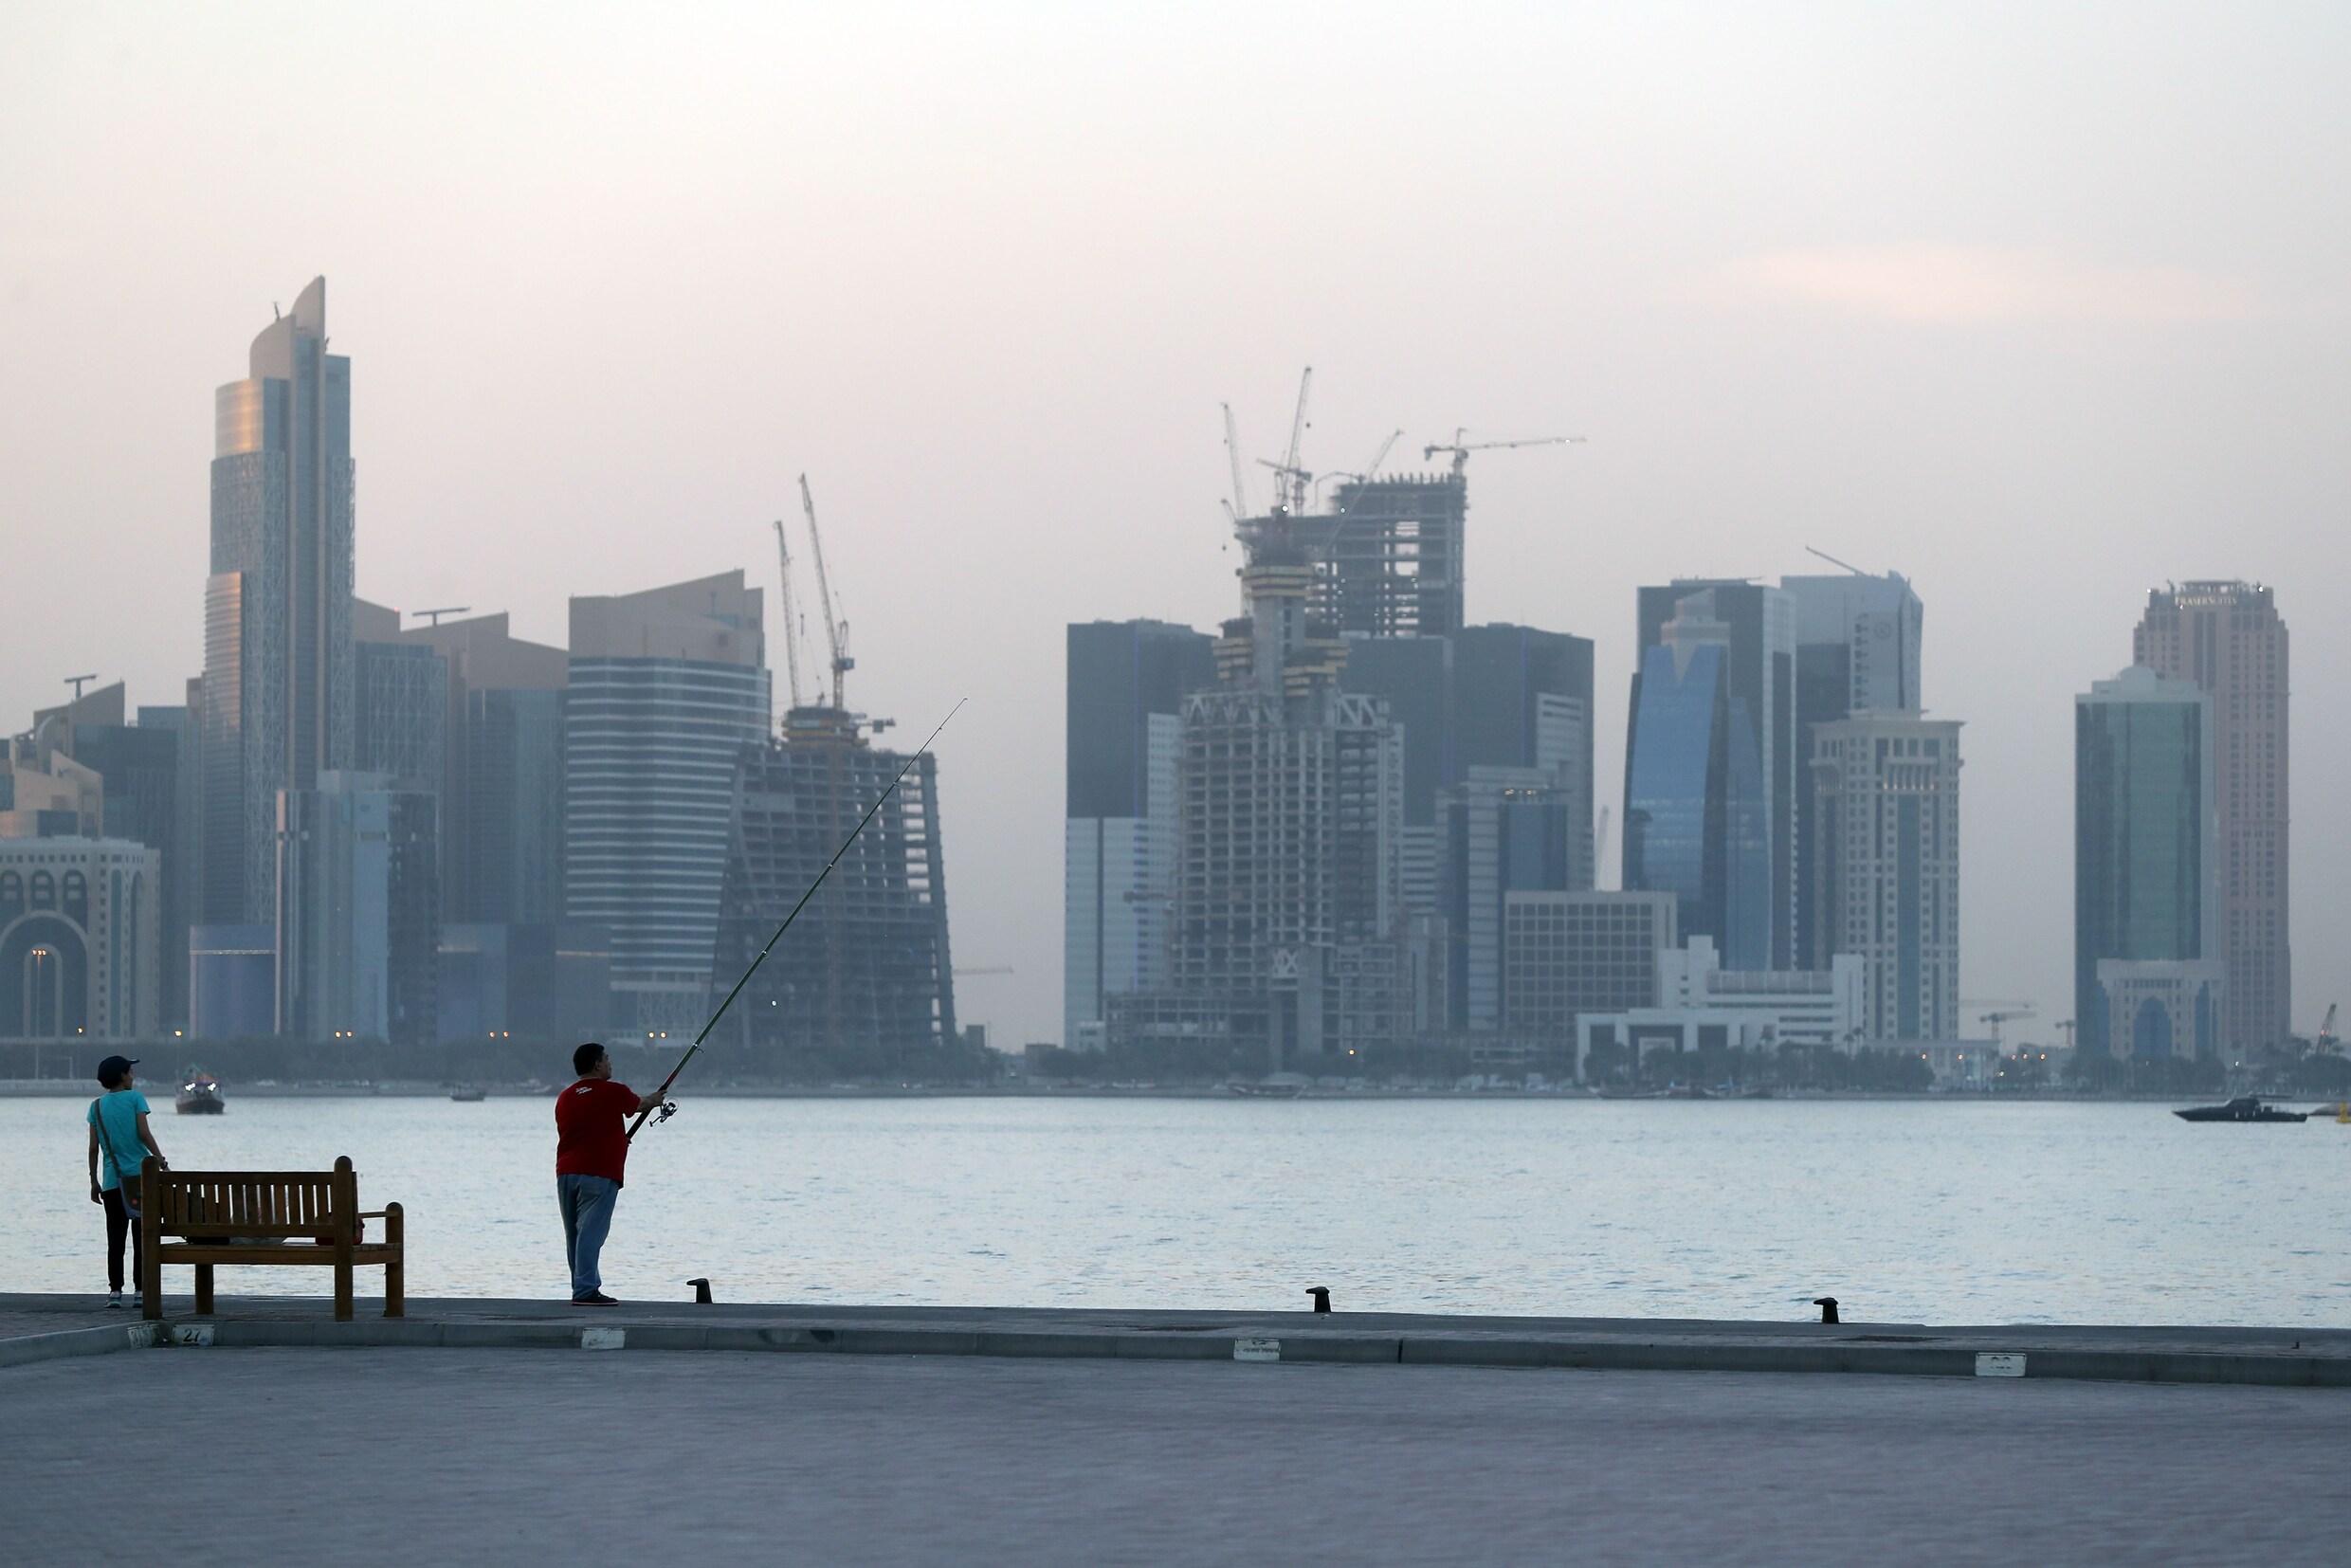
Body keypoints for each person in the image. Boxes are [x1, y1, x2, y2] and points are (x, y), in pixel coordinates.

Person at [555, 1042, 664, 1305]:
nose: (610, 1063)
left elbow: (587, 1128)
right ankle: (585, 1291)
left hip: (566, 1173)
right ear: (596, 1064)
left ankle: (580, 1286)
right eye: (606, 1059)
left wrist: (614, 1138)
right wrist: (657, 1098)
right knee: (591, 1234)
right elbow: (642, 1104)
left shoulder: (565, 1096)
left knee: (575, 1236)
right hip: (599, 1173)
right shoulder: (614, 1091)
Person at [86, 1055, 167, 1309]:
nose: (133, 1076)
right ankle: (141, 1290)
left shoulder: (96, 1106)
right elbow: (144, 1133)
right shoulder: (135, 1099)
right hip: (140, 1180)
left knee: (116, 1238)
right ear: (122, 1076)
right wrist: (160, 1157)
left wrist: (93, 1181)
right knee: (142, 1237)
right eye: (131, 1072)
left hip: (112, 1182)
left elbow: (93, 1148)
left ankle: (115, 1292)